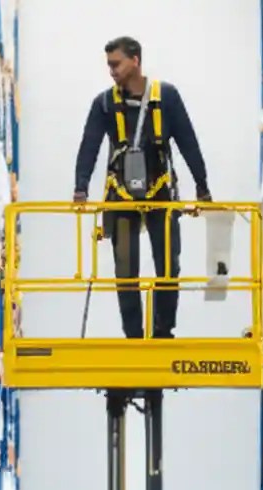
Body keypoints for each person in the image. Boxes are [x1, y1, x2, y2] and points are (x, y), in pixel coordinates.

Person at [73, 35, 211, 340]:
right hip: (120, 199)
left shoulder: (167, 97)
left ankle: (163, 331)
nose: (111, 71)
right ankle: (133, 336)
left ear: (135, 60)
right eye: (108, 65)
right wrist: (80, 187)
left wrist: (202, 187)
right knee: (125, 272)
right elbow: (89, 146)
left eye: (116, 64)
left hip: (161, 195)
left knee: (167, 267)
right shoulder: (105, 104)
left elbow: (188, 141)